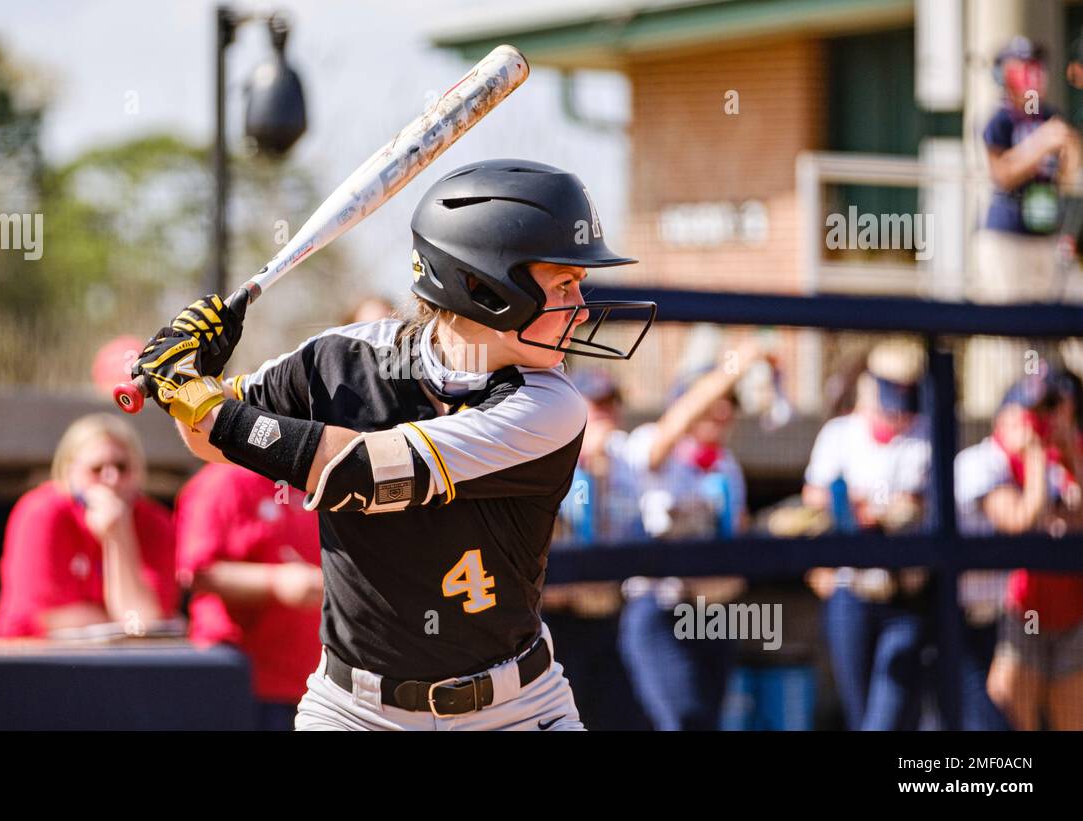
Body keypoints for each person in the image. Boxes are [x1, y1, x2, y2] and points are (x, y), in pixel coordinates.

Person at [129, 158, 656, 730]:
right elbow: (209, 441)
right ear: (482, 287)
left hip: (515, 709)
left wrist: (199, 396)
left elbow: (360, 474)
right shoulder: (340, 358)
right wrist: (194, 375)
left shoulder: (549, 404)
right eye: (563, 285)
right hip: (354, 710)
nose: (580, 309)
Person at [563, 345, 761, 730]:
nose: (722, 413)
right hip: (648, 607)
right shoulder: (650, 446)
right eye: (712, 403)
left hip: (705, 611)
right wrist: (734, 366)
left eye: (729, 404)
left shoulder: (724, 465)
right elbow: (672, 428)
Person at [803, 339, 932, 730]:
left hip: (905, 594)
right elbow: (815, 497)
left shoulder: (926, 434)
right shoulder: (841, 433)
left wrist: (880, 509)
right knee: (860, 715)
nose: (897, 411)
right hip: (852, 591)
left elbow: (916, 504)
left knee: (886, 718)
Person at [966, 36, 1082, 416]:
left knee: (1052, 330)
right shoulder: (998, 119)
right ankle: (1008, 415)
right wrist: (1043, 144)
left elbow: (1068, 175)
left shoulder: (1048, 117)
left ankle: (1047, 410)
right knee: (1010, 336)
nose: (1032, 74)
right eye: (1022, 66)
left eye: (1037, 65)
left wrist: (1068, 145)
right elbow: (1002, 173)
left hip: (1046, 237)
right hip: (1006, 240)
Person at [0, 414, 178, 638]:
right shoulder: (41, 513)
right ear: (70, 472)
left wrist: (118, 535)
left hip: (115, 661)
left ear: (138, 472)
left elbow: (144, 623)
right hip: (34, 656)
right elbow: (42, 618)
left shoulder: (155, 522)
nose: (112, 478)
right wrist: (120, 622)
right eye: (97, 469)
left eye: (122, 467)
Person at [174, 463, 323, 731]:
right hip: (241, 678)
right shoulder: (224, 481)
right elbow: (196, 572)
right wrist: (276, 582)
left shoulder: (309, 481)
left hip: (309, 684)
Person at [972, 371, 1083, 730]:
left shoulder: (1071, 454)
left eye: (1052, 407)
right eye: (1033, 409)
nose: (1042, 419)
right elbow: (1025, 520)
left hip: (1073, 611)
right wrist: (1036, 456)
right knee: (1013, 719)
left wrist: (1068, 455)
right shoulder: (994, 459)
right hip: (1022, 610)